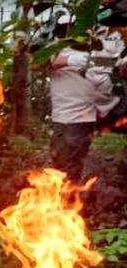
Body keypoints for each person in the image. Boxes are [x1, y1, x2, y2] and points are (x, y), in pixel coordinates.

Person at [48, 29, 121, 182]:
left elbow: (116, 64)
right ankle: (63, 202)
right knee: (64, 170)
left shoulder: (113, 34)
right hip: (70, 115)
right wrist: (71, 59)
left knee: (73, 167)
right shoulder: (62, 29)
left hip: (100, 110)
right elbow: (37, 60)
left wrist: (105, 64)